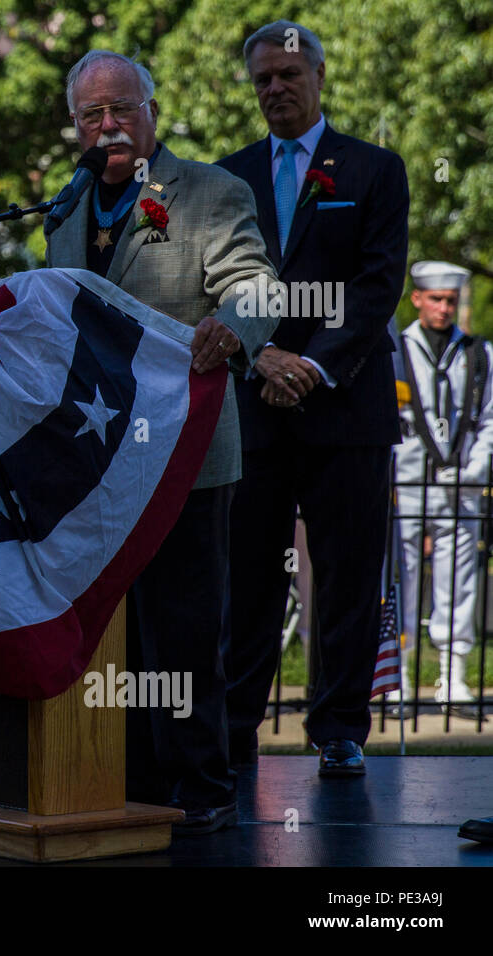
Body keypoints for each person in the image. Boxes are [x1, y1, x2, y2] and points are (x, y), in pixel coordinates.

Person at [44, 51, 278, 833]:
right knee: (116, 629)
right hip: (97, 464)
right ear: (75, 127)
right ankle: (128, 780)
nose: (106, 127)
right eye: (90, 116)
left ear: (151, 109)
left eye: (119, 110)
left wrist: (232, 328)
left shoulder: (212, 192)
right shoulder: (66, 208)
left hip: (186, 455)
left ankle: (201, 787)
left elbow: (256, 283)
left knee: (181, 631)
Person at [218, 20, 409, 778]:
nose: (275, 89)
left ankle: (337, 728)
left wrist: (313, 365)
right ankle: (234, 726)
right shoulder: (226, 180)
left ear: (319, 77)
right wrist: (261, 357)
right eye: (263, 78)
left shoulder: (373, 169)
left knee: (347, 575)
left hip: (346, 404)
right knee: (247, 576)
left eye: (288, 75)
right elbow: (218, 283)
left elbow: (375, 285)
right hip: (254, 405)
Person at [392, 261, 489, 713]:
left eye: (451, 300)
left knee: (460, 579)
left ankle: (453, 675)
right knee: (401, 578)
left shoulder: (480, 353)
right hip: (407, 482)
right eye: (435, 298)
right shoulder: (394, 348)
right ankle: (399, 675)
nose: (443, 308)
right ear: (417, 298)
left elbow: (489, 420)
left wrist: (474, 470)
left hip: (461, 484)